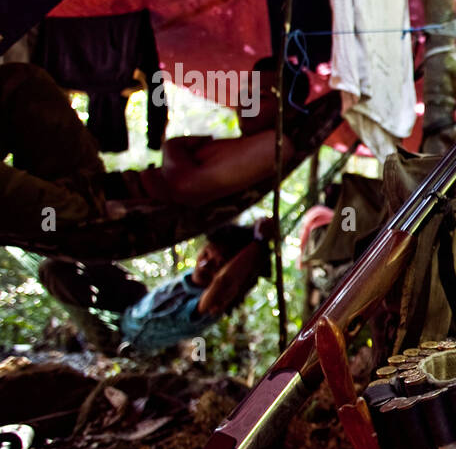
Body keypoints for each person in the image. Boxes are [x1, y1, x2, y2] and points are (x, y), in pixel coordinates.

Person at [0, 59, 313, 237]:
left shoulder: (276, 146)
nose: (245, 101)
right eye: (246, 91)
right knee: (26, 83)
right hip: (93, 182)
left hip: (88, 209)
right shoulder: (248, 143)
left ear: (291, 110)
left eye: (261, 95)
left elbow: (184, 185)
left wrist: (175, 148)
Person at [38, 221, 272, 354]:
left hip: (118, 336)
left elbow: (226, 281)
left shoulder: (208, 307)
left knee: (51, 271)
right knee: (82, 254)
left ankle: (84, 303)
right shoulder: (197, 277)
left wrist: (260, 243)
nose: (204, 263)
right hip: (136, 300)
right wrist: (252, 233)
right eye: (207, 253)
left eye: (216, 265)